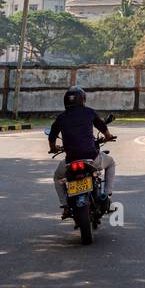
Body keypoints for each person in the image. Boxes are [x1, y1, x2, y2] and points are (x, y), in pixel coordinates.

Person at [48, 87, 116, 217]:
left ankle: (66, 206)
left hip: (71, 161)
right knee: (111, 162)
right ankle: (106, 194)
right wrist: (108, 136)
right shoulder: (89, 112)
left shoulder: (61, 118)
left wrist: (53, 148)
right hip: (92, 158)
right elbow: (102, 127)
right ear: (83, 100)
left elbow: (52, 136)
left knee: (58, 177)